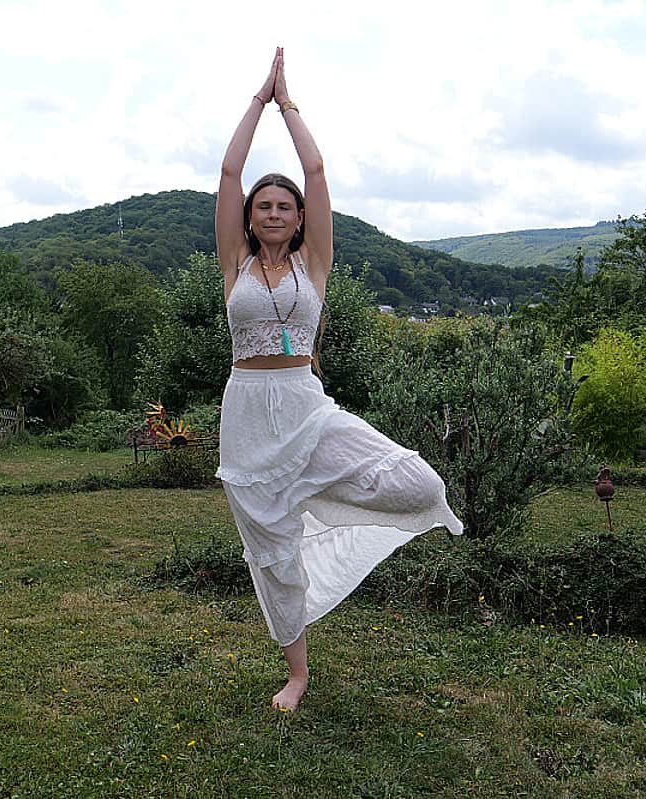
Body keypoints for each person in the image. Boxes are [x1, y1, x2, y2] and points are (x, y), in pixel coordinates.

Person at [215, 47, 463, 712]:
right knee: (273, 555)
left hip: (303, 404)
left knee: (419, 481)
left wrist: (287, 103)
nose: (271, 211)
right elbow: (230, 168)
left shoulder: (313, 265)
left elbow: (317, 170)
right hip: (245, 415)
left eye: (283, 206)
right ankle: (296, 674)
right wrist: (253, 102)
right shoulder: (235, 264)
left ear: (299, 219)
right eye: (262, 205)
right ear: (249, 217)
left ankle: (329, 510)